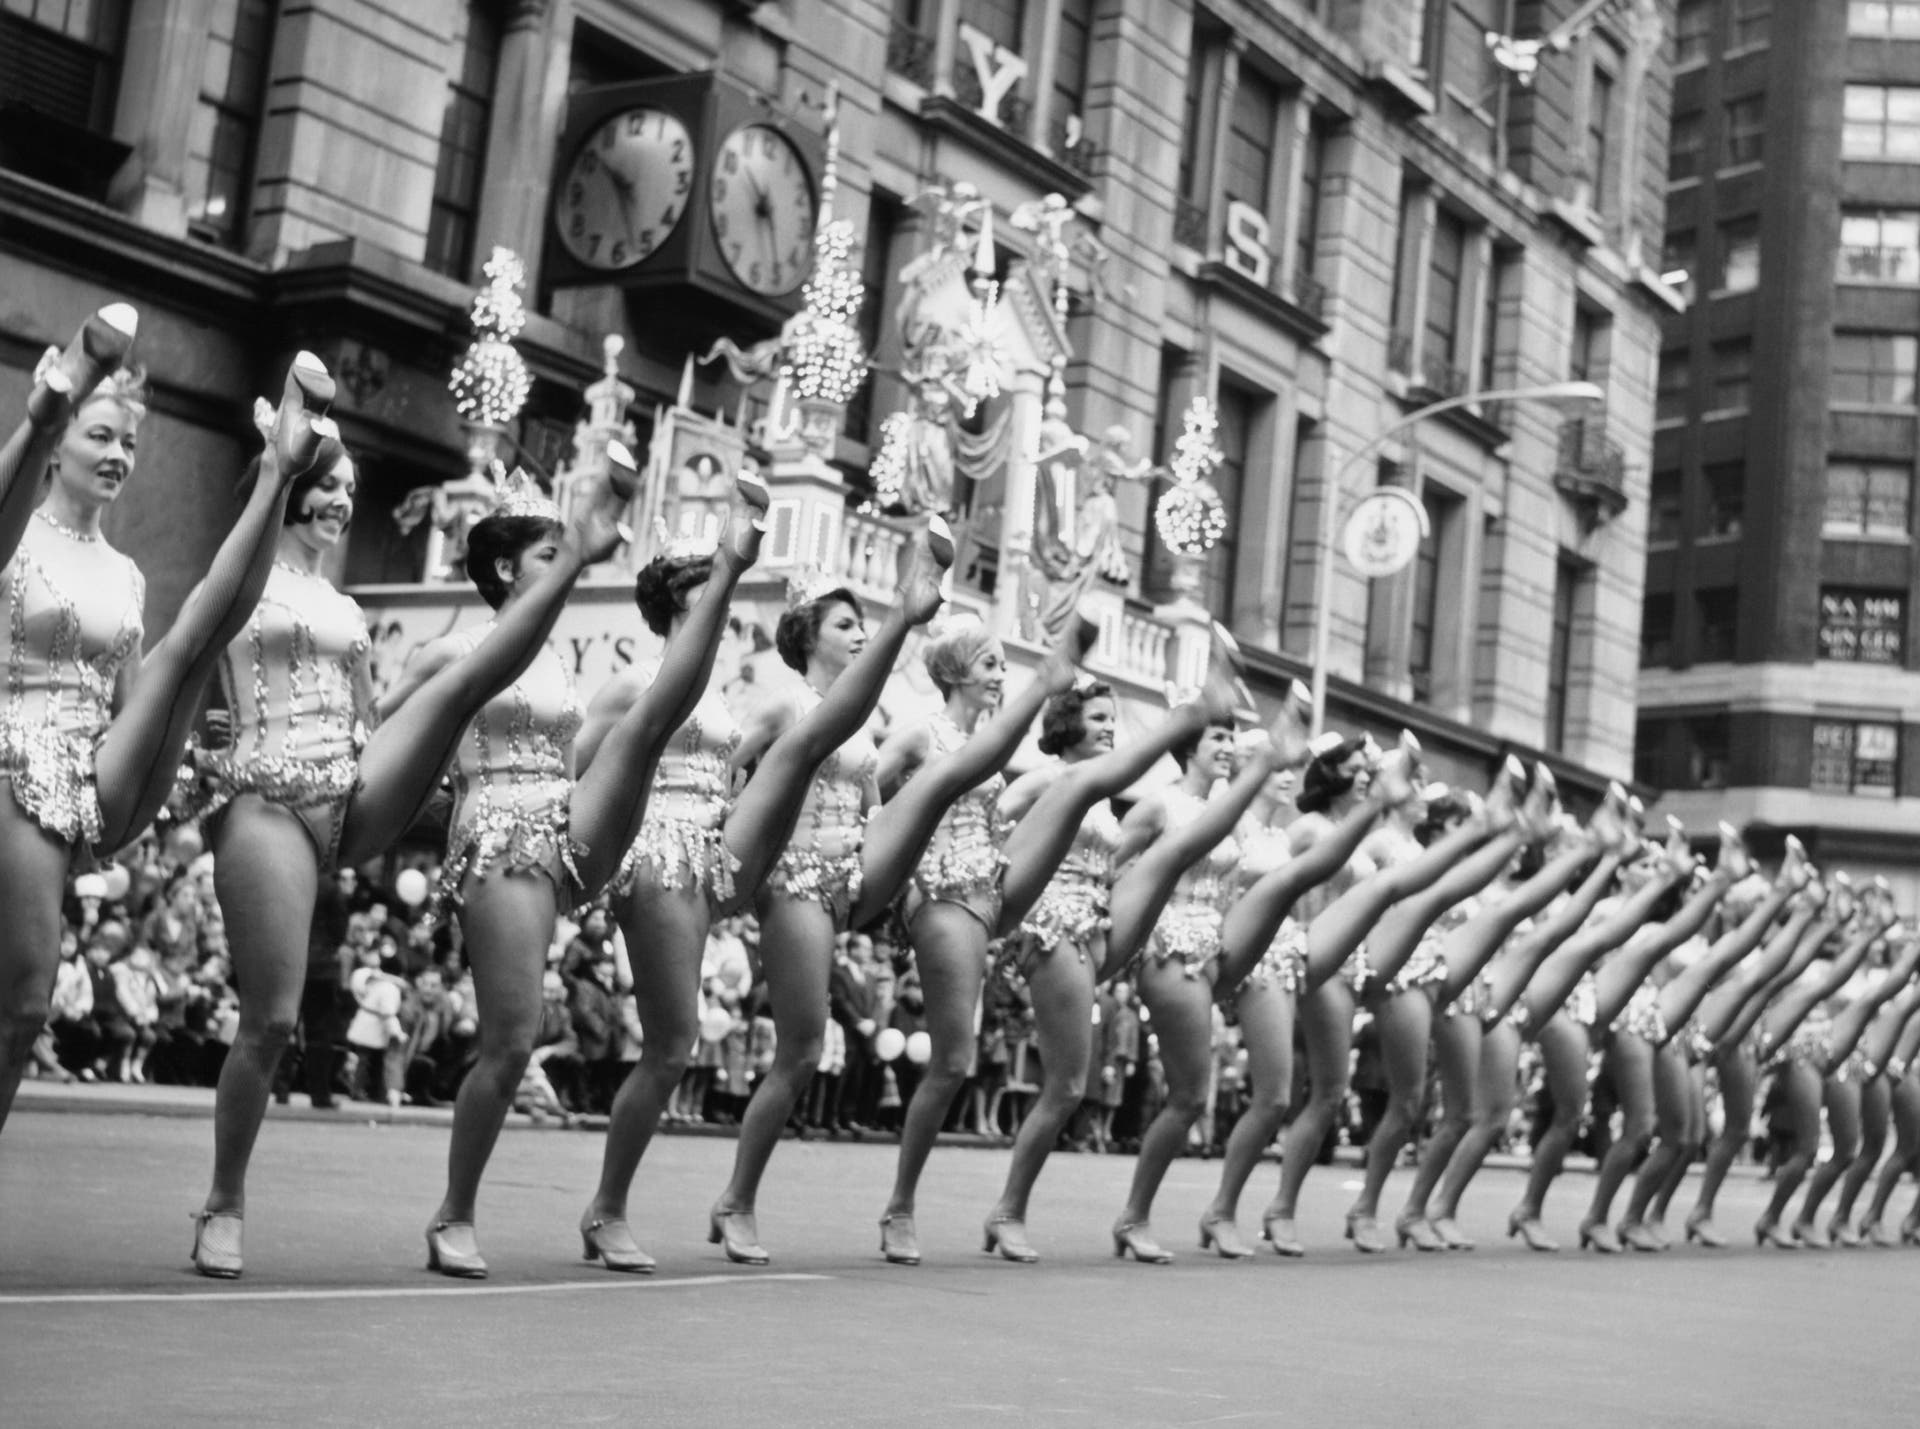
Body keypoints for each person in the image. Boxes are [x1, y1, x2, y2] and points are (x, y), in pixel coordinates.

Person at [186, 436, 665, 1279]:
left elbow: (368, 728)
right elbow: (401, 721)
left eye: (350, 489)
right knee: (273, 1017)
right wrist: (209, 732)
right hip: (302, 801)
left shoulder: (363, 614)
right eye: (329, 486)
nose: (342, 501)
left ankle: (462, 1213)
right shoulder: (445, 648)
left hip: (445, 815)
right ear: (508, 568)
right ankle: (226, 1198)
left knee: (518, 1040)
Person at [412, 463, 766, 1279]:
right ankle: (455, 1213)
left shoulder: (564, 671)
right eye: (549, 554)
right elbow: (395, 737)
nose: (565, 568)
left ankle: (604, 1207)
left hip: (581, 841)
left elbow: (585, 777)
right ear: (505, 567)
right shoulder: (459, 652)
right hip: (515, 838)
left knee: (672, 1041)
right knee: (512, 1036)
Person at [574, 521, 952, 1272]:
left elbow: (733, 780)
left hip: (763, 864)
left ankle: (695, 1202)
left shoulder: (719, 700)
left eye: (861, 626)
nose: (852, 633)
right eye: (846, 624)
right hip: (706, 865)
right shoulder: (712, 695)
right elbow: (590, 772)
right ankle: (653, 1205)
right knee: (709, 1043)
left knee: (763, 1047)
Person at [0, 315, 342, 1131]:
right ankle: (53, 392)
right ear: (60, 445)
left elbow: (132, 700)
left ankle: (277, 471)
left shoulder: (125, 573)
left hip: (92, 778)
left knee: (192, 646)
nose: (119, 455)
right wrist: (50, 408)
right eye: (102, 435)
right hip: (11, 758)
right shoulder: (16, 538)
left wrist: (186, 738)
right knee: (23, 1002)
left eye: (130, 444)